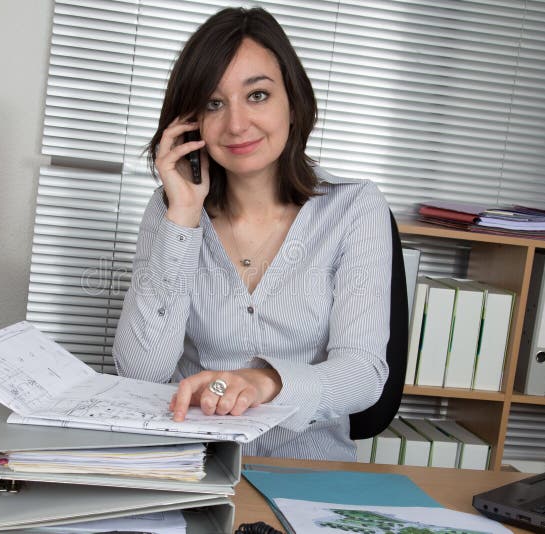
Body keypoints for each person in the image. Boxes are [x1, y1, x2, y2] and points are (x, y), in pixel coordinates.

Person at [112, 6, 392, 461]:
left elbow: (363, 374)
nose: (237, 124)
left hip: (306, 471)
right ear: (191, 121)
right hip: (192, 464)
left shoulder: (354, 208)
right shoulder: (170, 209)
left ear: (293, 101)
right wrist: (183, 215)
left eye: (257, 95)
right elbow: (141, 371)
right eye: (214, 104)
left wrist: (265, 381)